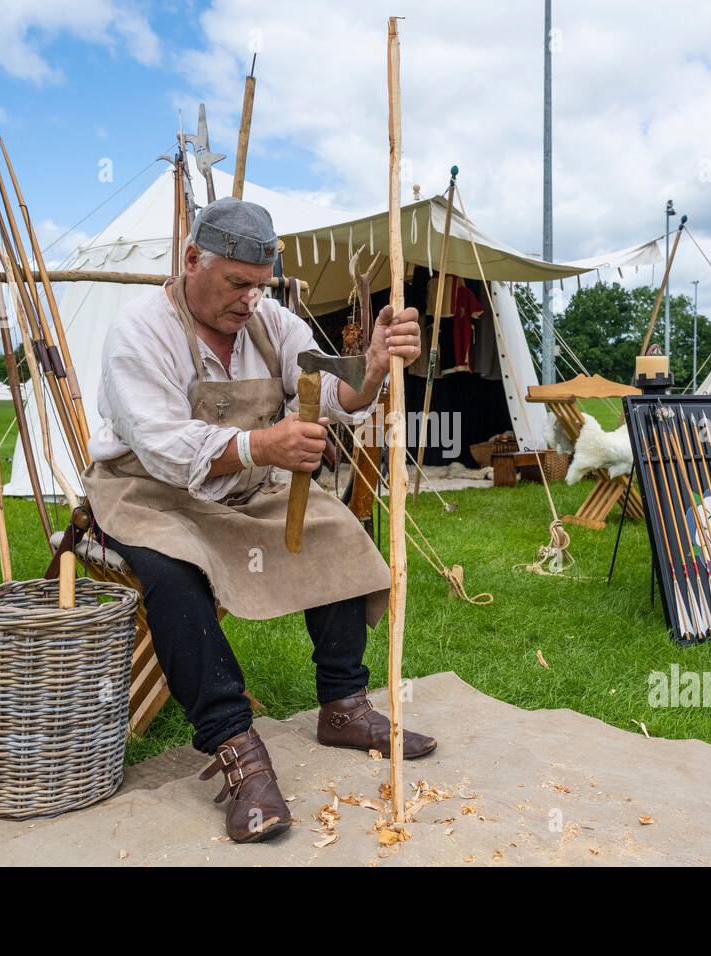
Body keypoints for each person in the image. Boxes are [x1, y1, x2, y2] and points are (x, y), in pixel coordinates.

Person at [82, 197, 436, 844]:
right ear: (192, 260)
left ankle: (344, 704)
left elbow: (337, 394)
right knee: (172, 571)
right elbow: (161, 446)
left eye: (258, 285)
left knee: (336, 533)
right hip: (152, 494)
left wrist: (377, 365)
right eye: (235, 284)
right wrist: (261, 446)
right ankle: (235, 747)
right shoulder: (140, 331)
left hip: (243, 493)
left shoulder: (272, 323)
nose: (249, 300)